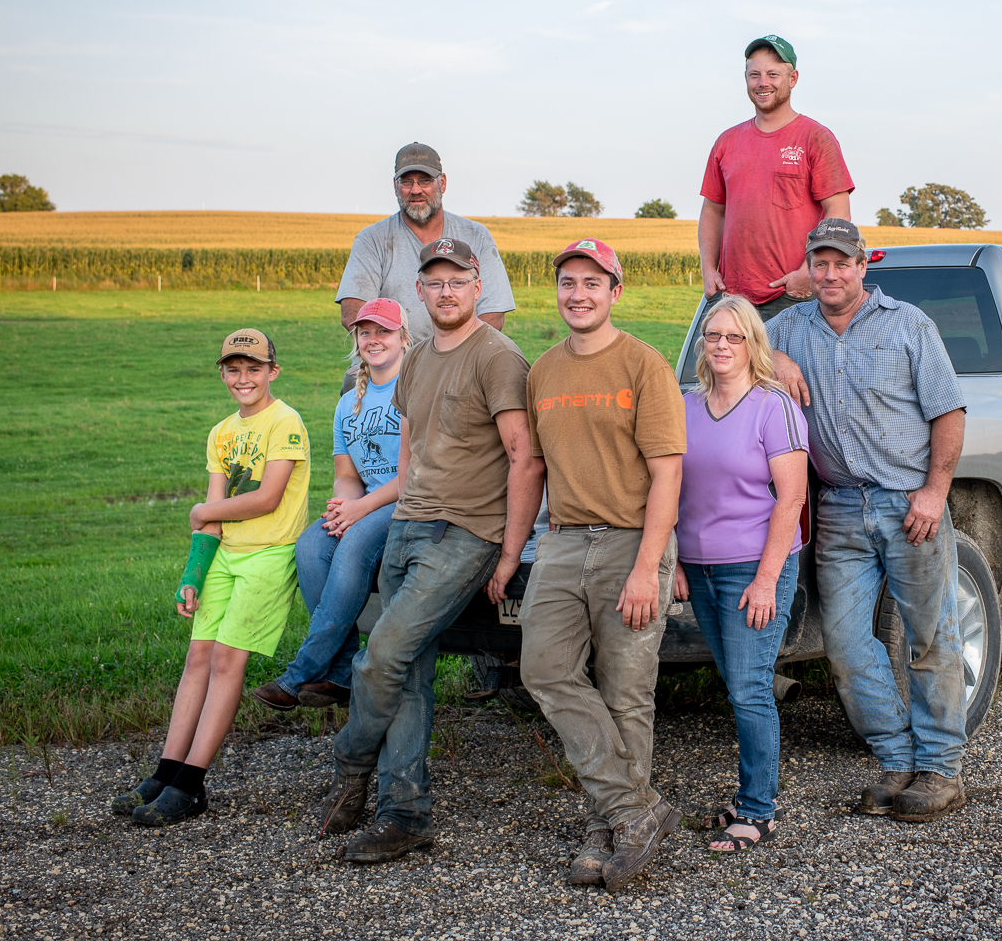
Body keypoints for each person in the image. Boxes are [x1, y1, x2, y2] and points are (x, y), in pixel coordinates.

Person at [317, 239, 542, 863]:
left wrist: (508, 551)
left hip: (465, 532)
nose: (446, 291)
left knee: (379, 655)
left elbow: (526, 458)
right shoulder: (416, 361)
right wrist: (402, 504)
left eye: (458, 281)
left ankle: (349, 765)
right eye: (434, 281)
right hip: (408, 526)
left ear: (478, 288)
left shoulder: (498, 358)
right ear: (419, 291)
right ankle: (406, 811)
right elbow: (411, 440)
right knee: (407, 670)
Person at [495, 238, 687, 893]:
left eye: (591, 282)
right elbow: (533, 468)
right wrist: (511, 552)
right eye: (567, 282)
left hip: (632, 542)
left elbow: (668, 474)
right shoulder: (542, 372)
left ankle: (605, 829)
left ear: (615, 291)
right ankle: (637, 810)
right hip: (563, 542)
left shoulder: (644, 365)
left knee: (625, 691)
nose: (577, 293)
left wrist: (647, 566)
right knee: (543, 669)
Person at [765, 218, 971, 823]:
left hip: (909, 504)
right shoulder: (789, 325)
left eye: (841, 263)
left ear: (862, 266)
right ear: (810, 268)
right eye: (819, 263)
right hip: (837, 507)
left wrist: (935, 492)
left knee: (931, 636)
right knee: (847, 644)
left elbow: (949, 411)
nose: (830, 274)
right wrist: (771, 355)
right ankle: (896, 757)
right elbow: (729, 331)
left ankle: (940, 769)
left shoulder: (908, 325)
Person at [112, 329, 310, 826]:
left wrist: (201, 507)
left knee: (226, 659)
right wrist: (193, 572)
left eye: (254, 368)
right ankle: (166, 771)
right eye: (233, 369)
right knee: (197, 654)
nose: (244, 378)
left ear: (273, 372)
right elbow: (214, 520)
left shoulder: (285, 422)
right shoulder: (221, 432)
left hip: (268, 553)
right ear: (222, 373)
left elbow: (265, 498)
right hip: (224, 556)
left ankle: (192, 783)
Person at [672, 295, 809, 852]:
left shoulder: (772, 406)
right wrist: (676, 560)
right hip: (699, 568)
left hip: (755, 565)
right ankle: (752, 793)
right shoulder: (686, 405)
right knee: (736, 682)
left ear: (754, 344)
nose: (722, 345)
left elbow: (792, 496)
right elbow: (671, 489)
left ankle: (759, 809)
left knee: (750, 688)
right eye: (713, 336)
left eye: (734, 336)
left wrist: (766, 579)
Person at [250, 299, 407, 712]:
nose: (373, 340)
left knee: (353, 548)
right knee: (312, 546)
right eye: (365, 332)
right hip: (368, 503)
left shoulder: (413, 388)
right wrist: (344, 507)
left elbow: (416, 474)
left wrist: (360, 512)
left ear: (404, 338)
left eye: (384, 331)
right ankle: (341, 670)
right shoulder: (347, 404)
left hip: (408, 502)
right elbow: (347, 474)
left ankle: (303, 671)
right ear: (355, 340)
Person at [698, 36, 854, 322]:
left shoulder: (815, 138)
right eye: (754, 75)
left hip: (791, 297)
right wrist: (708, 270)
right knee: (717, 368)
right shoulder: (727, 142)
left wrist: (808, 274)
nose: (762, 83)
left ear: (792, 78)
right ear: (745, 78)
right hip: (731, 298)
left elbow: (838, 213)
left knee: (788, 370)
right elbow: (713, 210)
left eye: (773, 74)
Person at [336, 143, 516, 345]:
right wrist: (401, 358)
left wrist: (452, 357)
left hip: (459, 360)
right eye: (406, 182)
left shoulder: (477, 236)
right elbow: (353, 311)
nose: (415, 190)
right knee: (356, 377)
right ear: (395, 186)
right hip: (391, 363)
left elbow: (493, 312)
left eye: (425, 181)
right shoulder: (371, 240)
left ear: (443, 183)